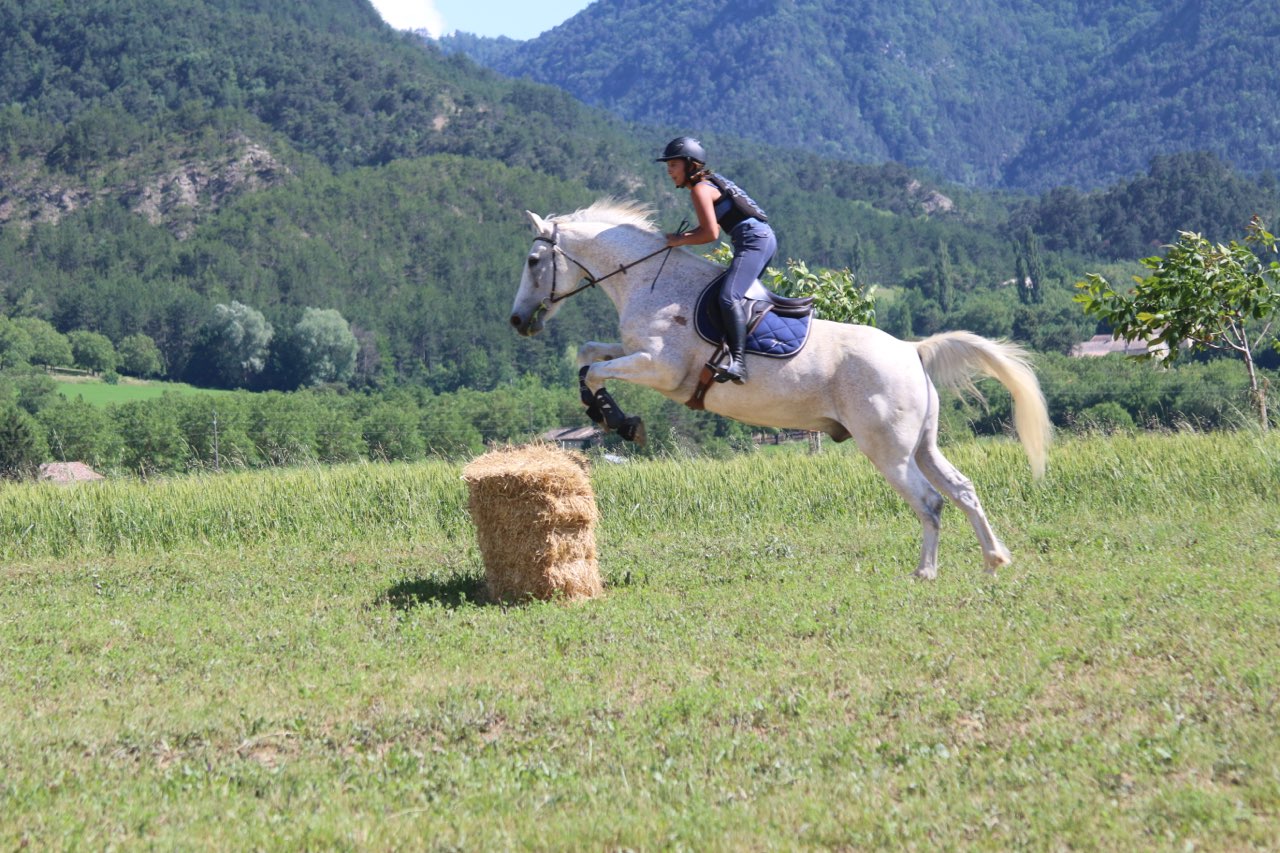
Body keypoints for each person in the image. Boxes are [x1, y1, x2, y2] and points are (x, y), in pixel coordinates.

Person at [657, 136, 775, 384]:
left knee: (727, 297)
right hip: (758, 239)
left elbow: (709, 234)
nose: (669, 171)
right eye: (668, 166)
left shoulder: (700, 189)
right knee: (727, 295)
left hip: (754, 241)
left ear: (691, 165)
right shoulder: (709, 183)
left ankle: (739, 363)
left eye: (673, 165)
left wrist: (677, 240)